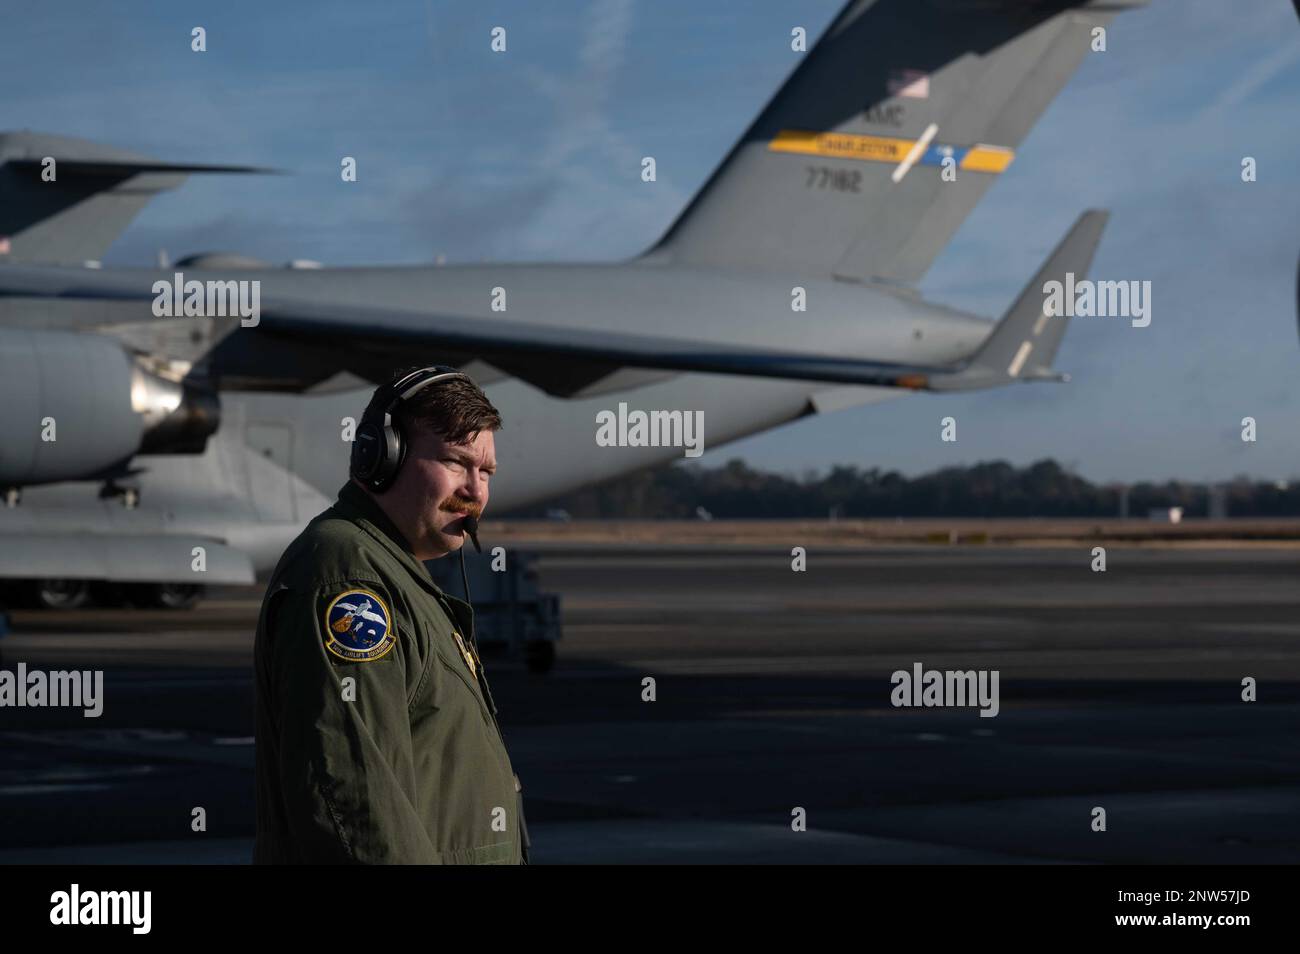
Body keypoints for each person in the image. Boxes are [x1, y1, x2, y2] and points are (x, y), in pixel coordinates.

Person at [253, 365, 527, 864]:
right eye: (454, 461)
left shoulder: (395, 572)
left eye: (485, 472)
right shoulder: (347, 574)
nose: (476, 491)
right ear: (381, 457)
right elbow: (355, 796)